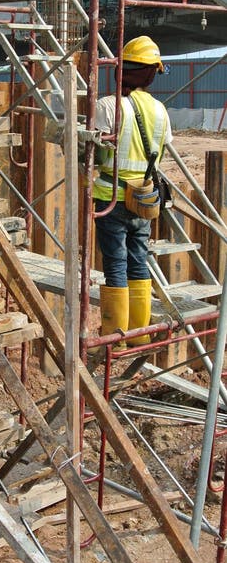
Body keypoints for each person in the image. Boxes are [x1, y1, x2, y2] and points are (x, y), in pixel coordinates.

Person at [93, 35, 172, 346]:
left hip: (110, 197)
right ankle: (139, 335)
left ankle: (116, 335)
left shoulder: (108, 106)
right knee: (138, 259)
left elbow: (96, 155)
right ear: (151, 74)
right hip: (144, 197)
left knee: (115, 263)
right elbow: (162, 149)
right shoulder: (161, 111)